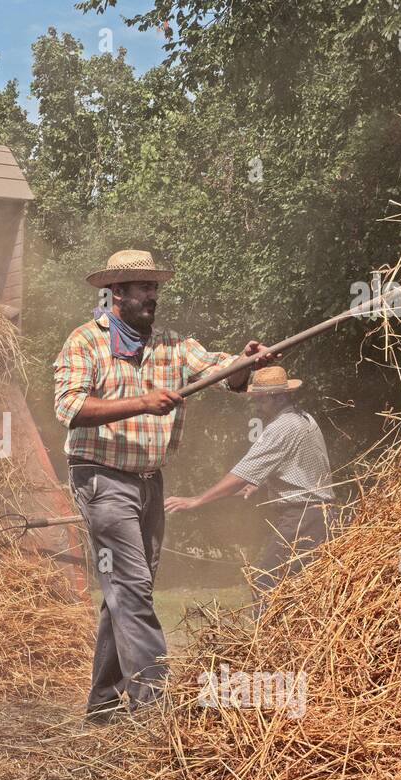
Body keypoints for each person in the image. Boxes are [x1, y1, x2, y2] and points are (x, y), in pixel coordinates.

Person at [53, 249, 275, 720]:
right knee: (131, 586)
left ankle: (104, 707)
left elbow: (222, 373)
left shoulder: (173, 344)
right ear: (116, 293)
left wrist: (247, 362)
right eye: (143, 288)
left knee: (127, 592)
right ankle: (153, 708)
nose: (152, 295)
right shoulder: (85, 342)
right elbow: (70, 408)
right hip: (101, 478)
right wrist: (141, 402)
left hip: (149, 481)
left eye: (155, 286)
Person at [164, 364, 334, 593]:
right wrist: (260, 484)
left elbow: (241, 474)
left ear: (276, 397)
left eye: (260, 399)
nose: (257, 405)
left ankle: (267, 630)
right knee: (303, 588)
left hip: (301, 518)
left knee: (265, 583)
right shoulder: (304, 419)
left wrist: (197, 500)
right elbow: (294, 467)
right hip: (322, 515)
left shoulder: (280, 428)